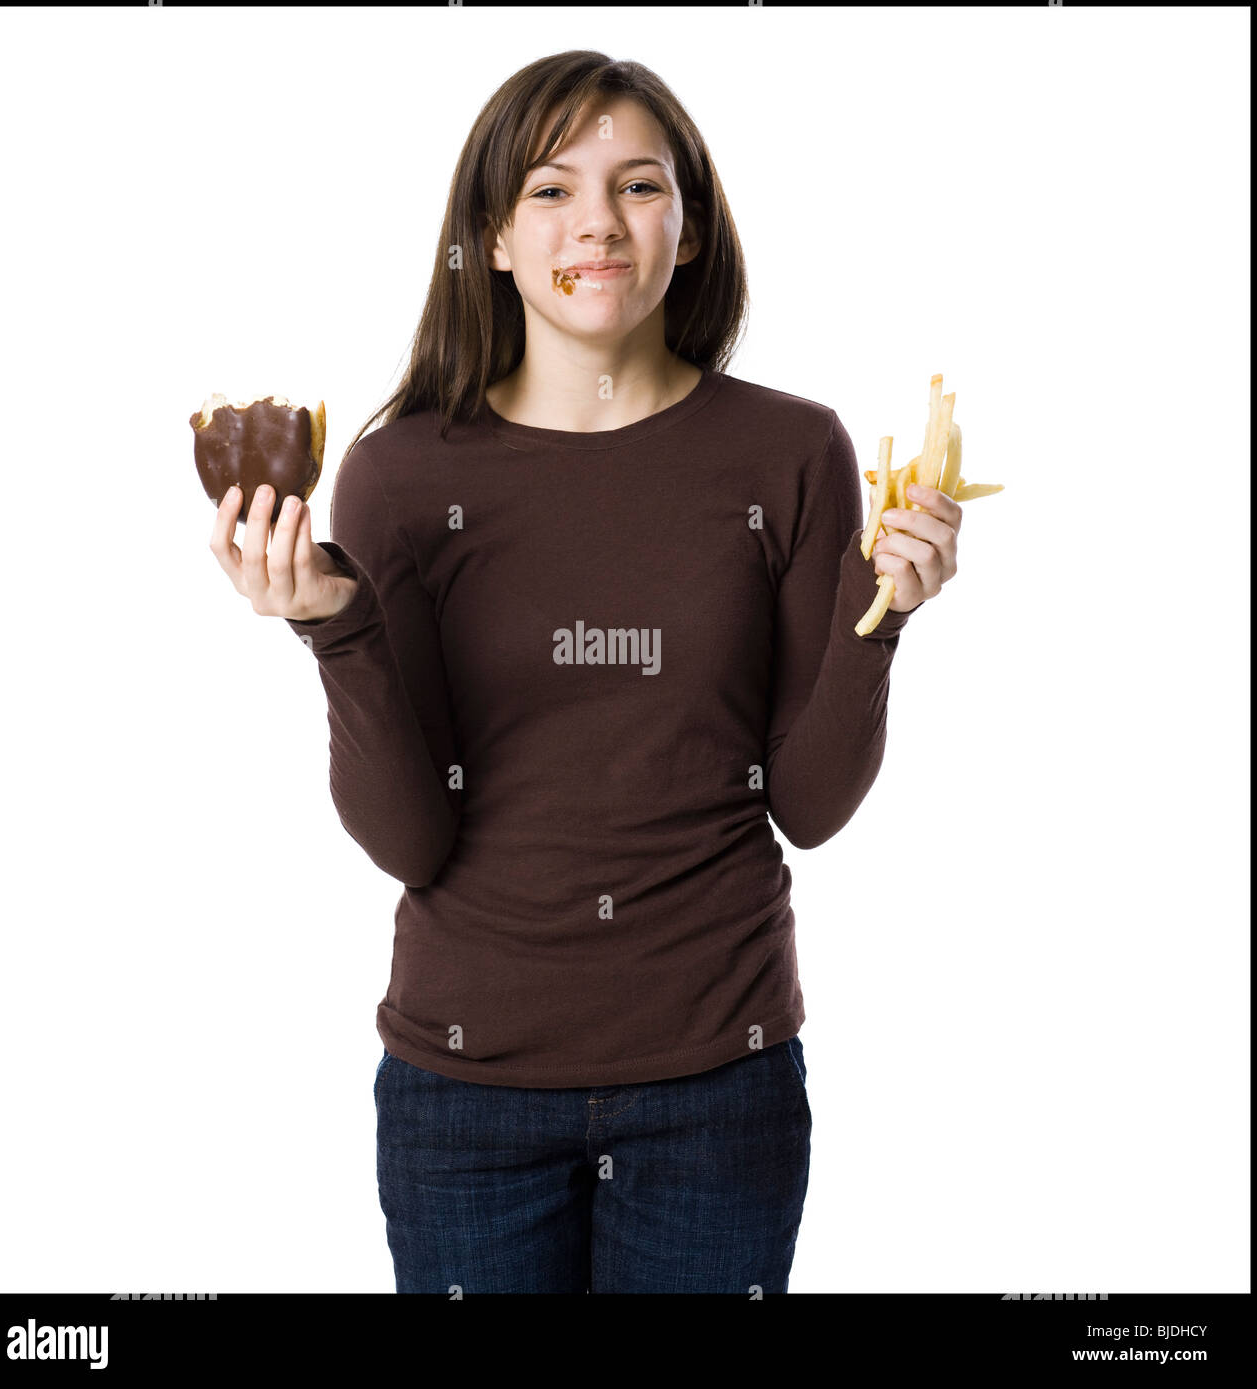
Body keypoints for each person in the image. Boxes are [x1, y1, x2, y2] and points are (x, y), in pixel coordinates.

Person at [208, 51, 961, 1294]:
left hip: (721, 1088)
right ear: (493, 241)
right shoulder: (400, 475)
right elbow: (411, 839)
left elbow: (810, 810)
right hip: (466, 1099)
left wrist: (879, 618)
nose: (598, 222)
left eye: (639, 185)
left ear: (693, 228)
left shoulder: (793, 450)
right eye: (551, 190)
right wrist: (336, 628)